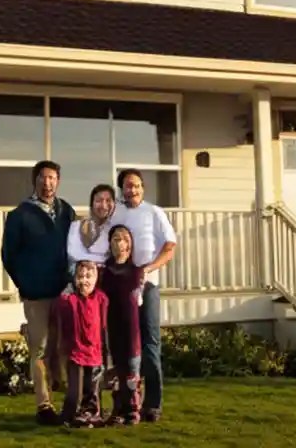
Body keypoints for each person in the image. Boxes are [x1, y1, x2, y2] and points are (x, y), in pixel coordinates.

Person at [0, 160, 77, 426]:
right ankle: (44, 405)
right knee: (40, 348)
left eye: (53, 178)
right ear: (35, 181)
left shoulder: (66, 211)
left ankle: (71, 402)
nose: (48, 183)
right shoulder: (20, 215)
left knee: (65, 347)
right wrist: (25, 283)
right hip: (36, 295)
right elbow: (9, 256)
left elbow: (75, 247)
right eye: (43, 178)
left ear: (58, 181)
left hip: (64, 292)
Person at [109, 168, 177, 422]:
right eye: (127, 186)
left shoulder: (154, 212)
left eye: (136, 185)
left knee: (149, 343)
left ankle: (153, 403)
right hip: (120, 287)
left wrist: (147, 269)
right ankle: (126, 403)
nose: (132, 190)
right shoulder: (116, 211)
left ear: (143, 187)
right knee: (122, 344)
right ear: (121, 189)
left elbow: (170, 247)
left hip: (147, 287)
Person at [99, 224, 146, 425]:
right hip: (112, 327)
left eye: (124, 239)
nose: (120, 243)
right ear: (110, 243)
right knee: (118, 371)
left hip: (131, 328)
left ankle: (133, 409)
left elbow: (139, 299)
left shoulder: (136, 272)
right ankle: (118, 410)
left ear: (130, 244)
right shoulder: (105, 272)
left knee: (132, 371)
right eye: (116, 238)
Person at [54, 260, 108, 428]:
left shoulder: (100, 298)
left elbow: (104, 324)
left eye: (88, 277)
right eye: (80, 276)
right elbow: (60, 309)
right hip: (76, 351)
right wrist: (65, 293)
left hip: (94, 351)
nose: (84, 281)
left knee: (92, 388)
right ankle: (70, 414)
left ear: (95, 278)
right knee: (74, 390)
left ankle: (91, 413)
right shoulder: (71, 299)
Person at [67, 184, 116, 269]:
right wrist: (102, 260)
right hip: (82, 277)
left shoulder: (117, 231)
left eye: (108, 200)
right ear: (91, 204)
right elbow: (73, 254)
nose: (104, 206)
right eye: (98, 201)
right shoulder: (76, 226)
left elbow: (118, 258)